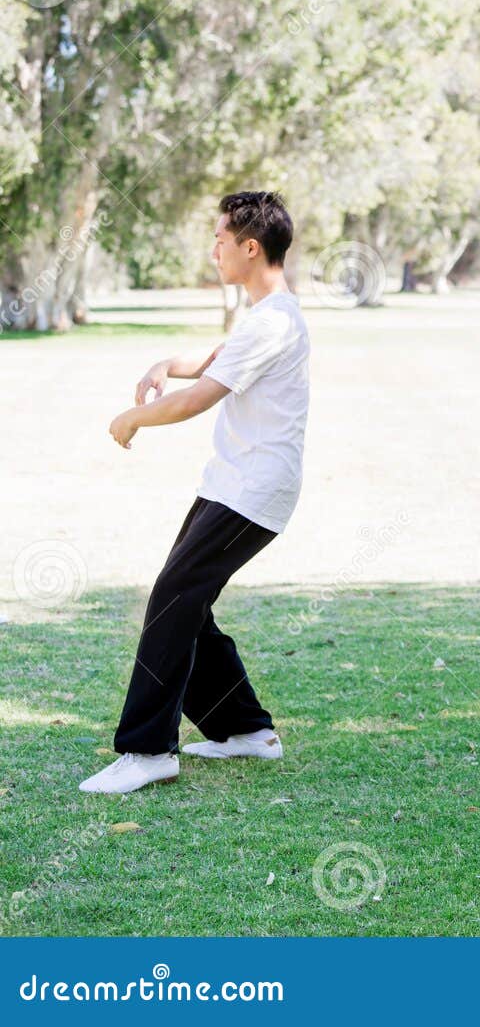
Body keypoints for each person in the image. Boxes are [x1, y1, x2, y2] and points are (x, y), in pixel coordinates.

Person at [79, 192, 311, 794]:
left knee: (173, 598)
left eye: (220, 239)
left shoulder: (275, 320)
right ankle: (246, 732)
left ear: (250, 247)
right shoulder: (266, 315)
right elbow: (212, 361)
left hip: (252, 491)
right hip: (233, 484)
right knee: (187, 601)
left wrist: (134, 419)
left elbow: (202, 396)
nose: (214, 250)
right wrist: (165, 362)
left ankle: (148, 750)